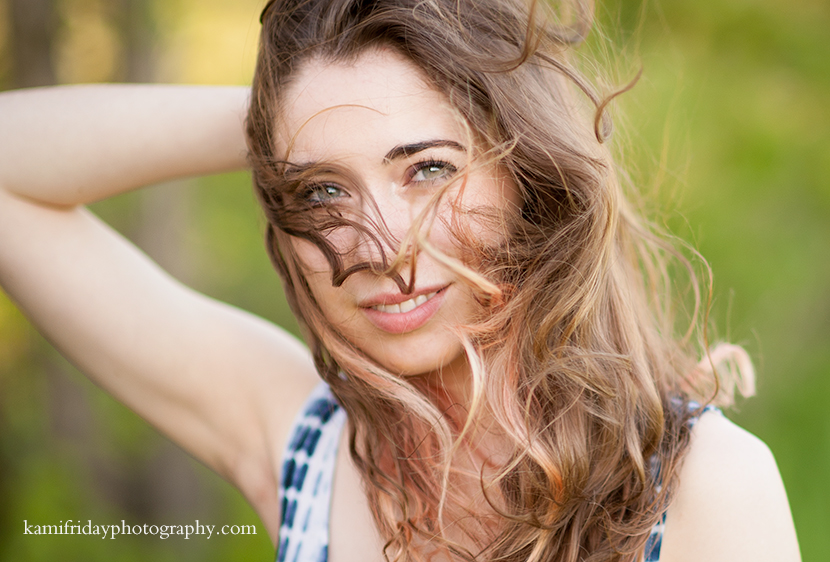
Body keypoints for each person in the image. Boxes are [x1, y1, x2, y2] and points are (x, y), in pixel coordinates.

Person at [0, 0, 801, 561]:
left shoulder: (702, 488)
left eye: (426, 169)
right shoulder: (302, 448)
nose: (380, 246)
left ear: (525, 170)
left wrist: (327, 130)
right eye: (322, 190)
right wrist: (280, 118)